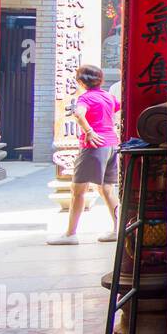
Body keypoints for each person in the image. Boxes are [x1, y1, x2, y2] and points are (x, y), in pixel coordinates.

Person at [48, 64, 121, 245]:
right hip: (112, 144)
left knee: (78, 190)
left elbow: (79, 114)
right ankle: (118, 229)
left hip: (93, 146)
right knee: (106, 189)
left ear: (80, 81)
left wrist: (89, 131)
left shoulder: (85, 98)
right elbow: (118, 109)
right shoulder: (107, 96)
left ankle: (70, 234)